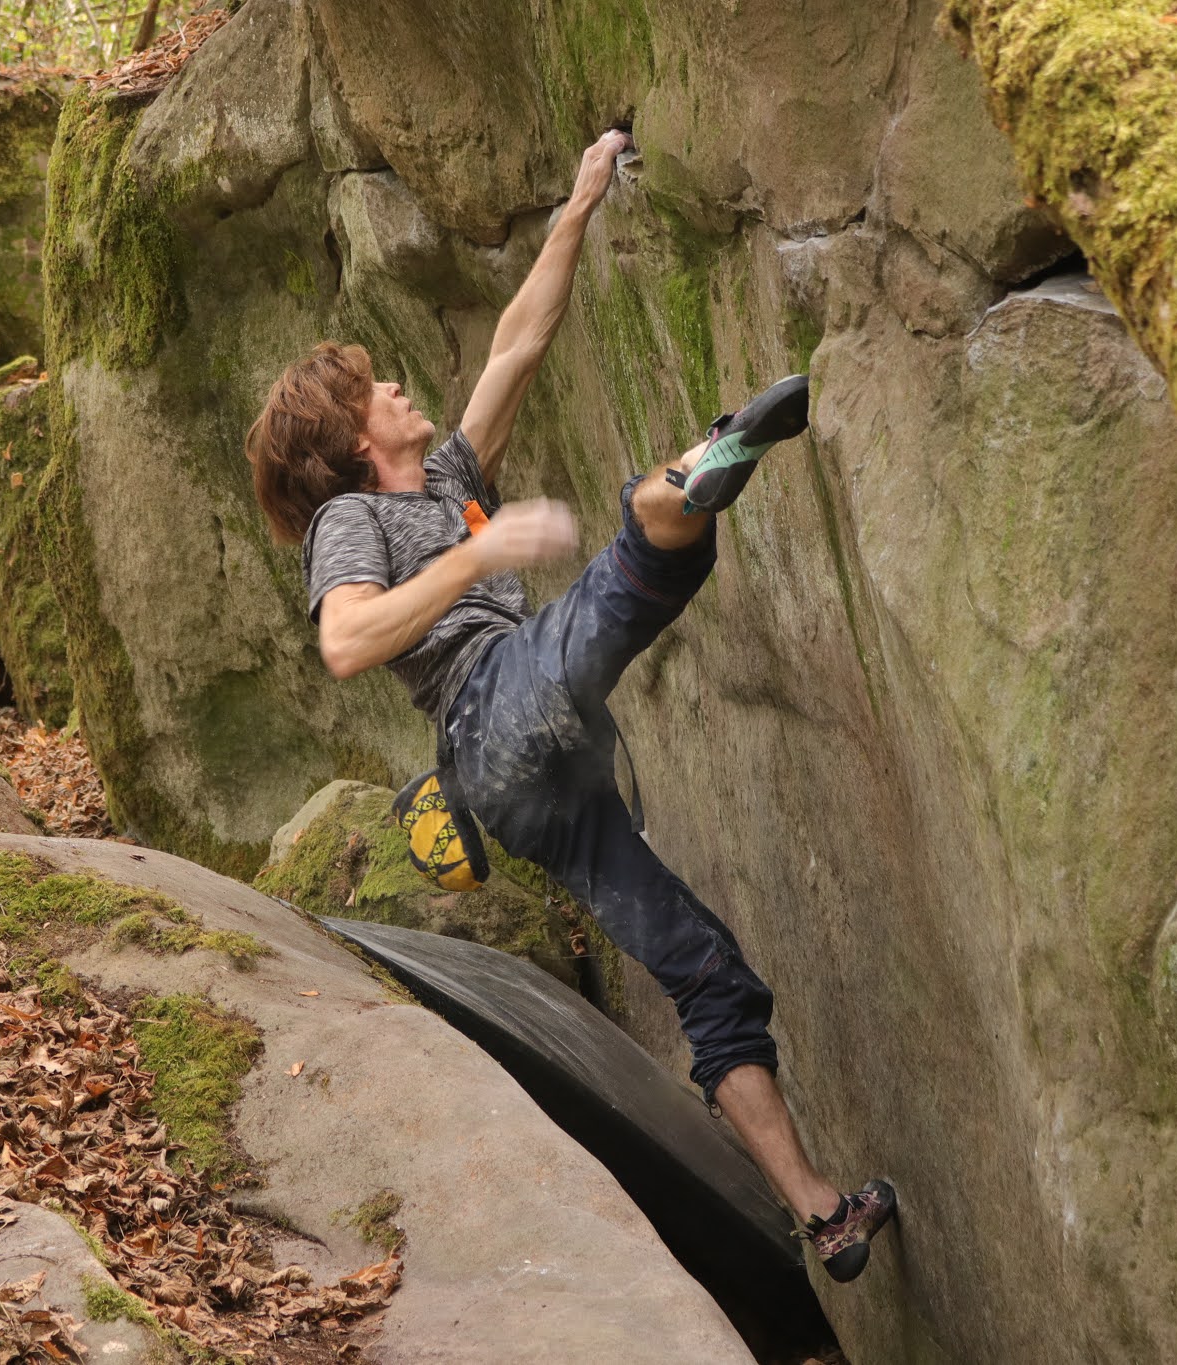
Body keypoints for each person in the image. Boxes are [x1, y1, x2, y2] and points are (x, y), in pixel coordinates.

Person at [245, 128, 897, 1283]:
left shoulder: (446, 479)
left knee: (703, 970)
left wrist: (580, 202)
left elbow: (518, 341)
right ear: (350, 438)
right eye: (374, 387)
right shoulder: (353, 521)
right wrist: (472, 562)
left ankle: (821, 1215)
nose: (395, 385)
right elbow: (345, 641)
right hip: (488, 714)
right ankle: (685, 482)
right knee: (617, 578)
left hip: (536, 788)